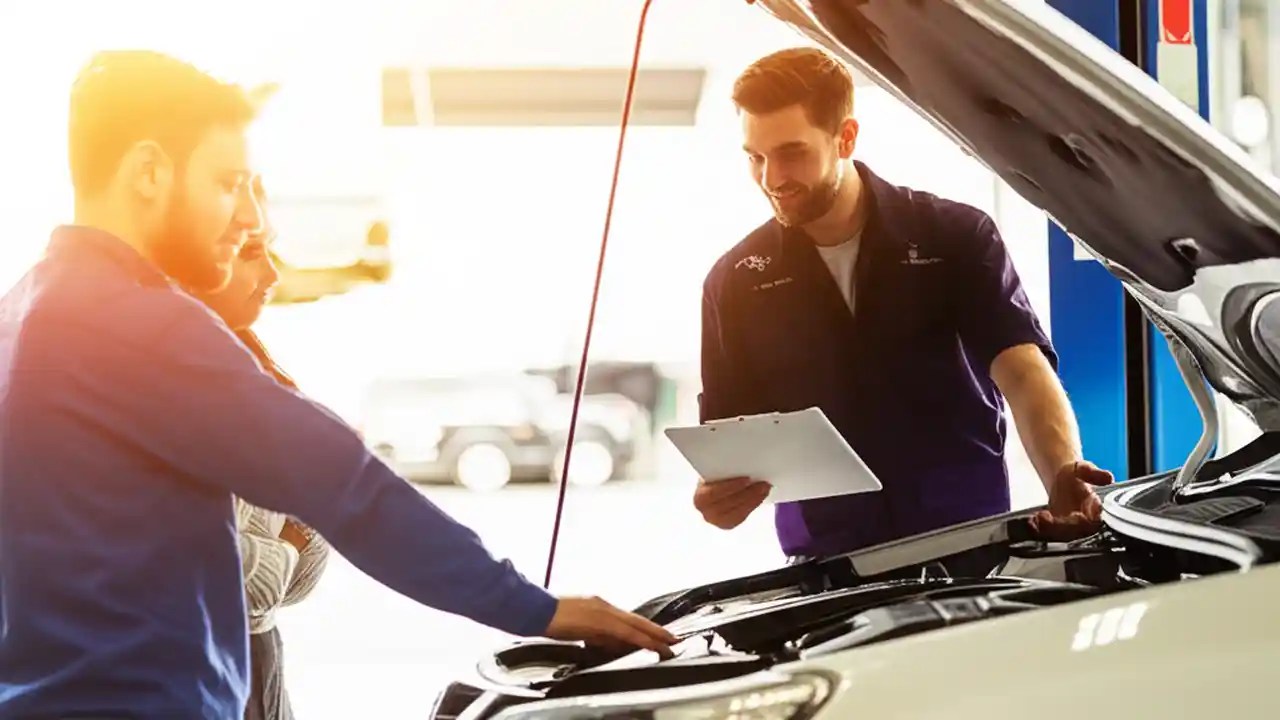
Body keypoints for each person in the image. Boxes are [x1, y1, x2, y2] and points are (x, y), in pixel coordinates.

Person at [0, 50, 674, 720]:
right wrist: (538, 608)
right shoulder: (133, 322)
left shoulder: (23, 311)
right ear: (148, 171)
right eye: (227, 183)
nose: (248, 218)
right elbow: (346, 488)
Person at [693, 47, 1114, 562]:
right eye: (755, 157)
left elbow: (1022, 372)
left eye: (792, 152)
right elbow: (729, 436)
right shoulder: (735, 280)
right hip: (826, 569)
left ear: (845, 137)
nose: (772, 178)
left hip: (966, 549)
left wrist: (1063, 472)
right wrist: (717, 497)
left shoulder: (955, 236)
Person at [192, 176, 326, 720]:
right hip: (203, 670)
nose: (272, 273)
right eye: (250, 252)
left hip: (258, 663)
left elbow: (292, 586)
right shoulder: (181, 388)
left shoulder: (257, 372)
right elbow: (245, 586)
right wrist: (291, 536)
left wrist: (289, 540)